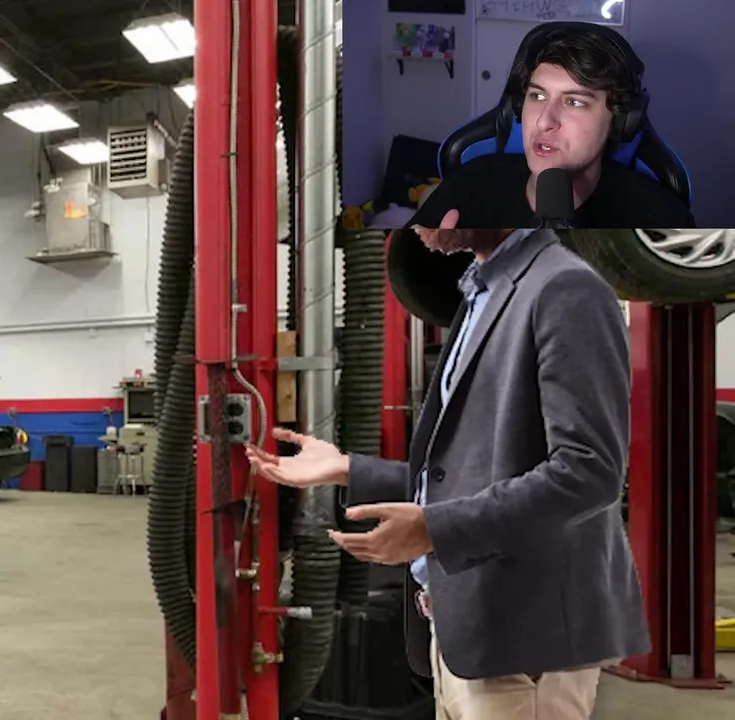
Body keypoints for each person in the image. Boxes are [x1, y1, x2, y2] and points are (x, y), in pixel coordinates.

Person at [246, 227, 649, 719]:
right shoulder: (482, 292)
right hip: (465, 631)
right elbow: (468, 475)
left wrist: (434, 530)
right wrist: (347, 468)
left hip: (524, 645)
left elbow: (589, 471)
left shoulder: (566, 288)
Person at [409, 24, 695, 229]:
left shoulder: (663, 219)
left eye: (575, 102)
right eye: (537, 96)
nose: (544, 121)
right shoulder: (468, 186)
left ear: (620, 121)